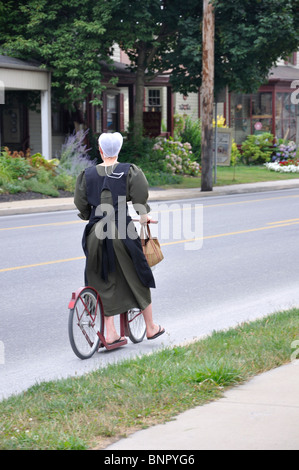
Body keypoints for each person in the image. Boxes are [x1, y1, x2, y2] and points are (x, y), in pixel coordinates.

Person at [74, 132, 165, 346]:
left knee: (101, 279)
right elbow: (140, 200)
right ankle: (150, 327)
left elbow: (81, 204)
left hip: (96, 232)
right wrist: (144, 219)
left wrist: (91, 216)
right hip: (123, 231)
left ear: (100, 150)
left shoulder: (87, 175)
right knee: (138, 274)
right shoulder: (130, 171)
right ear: (119, 150)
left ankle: (111, 332)